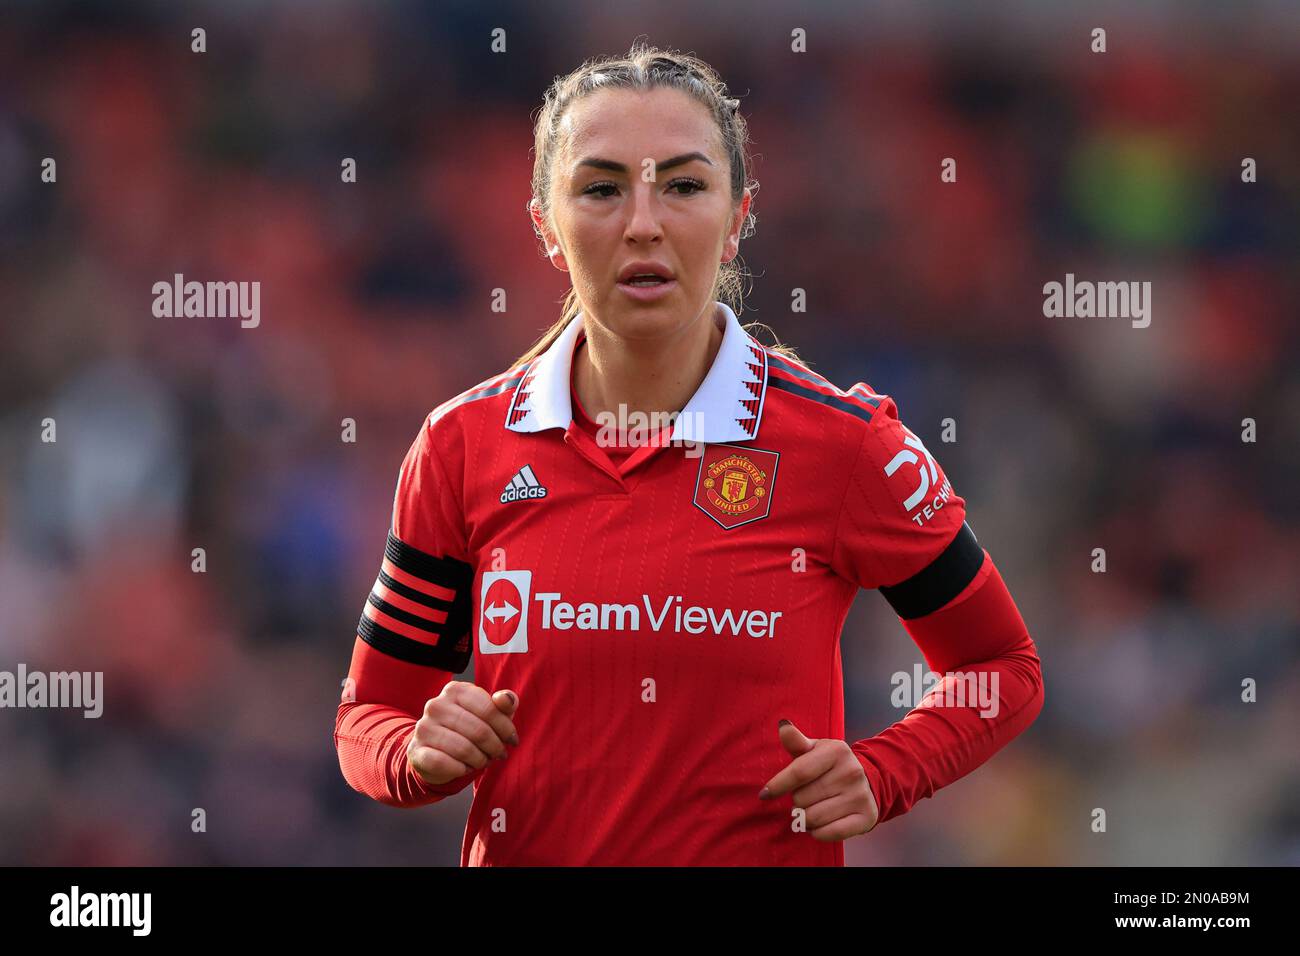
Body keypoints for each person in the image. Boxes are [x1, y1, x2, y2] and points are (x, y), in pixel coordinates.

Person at [334, 41, 1044, 866]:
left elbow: (1003, 668)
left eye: (684, 185)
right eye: (601, 188)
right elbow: (367, 718)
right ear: (545, 227)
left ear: (738, 217)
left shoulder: (846, 447)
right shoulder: (462, 447)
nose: (644, 224)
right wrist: (415, 754)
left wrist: (886, 773)